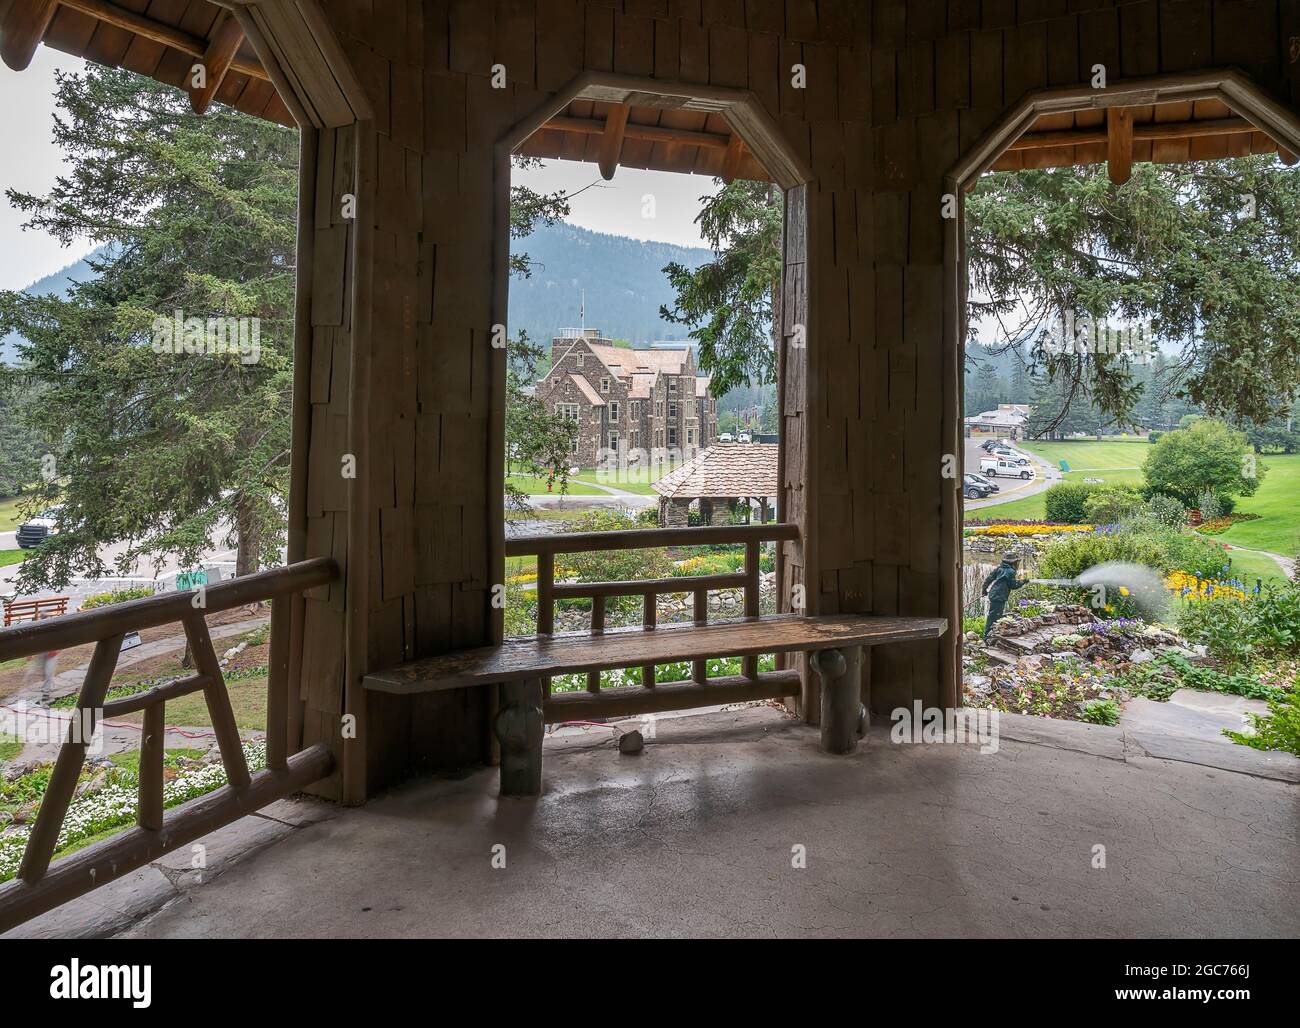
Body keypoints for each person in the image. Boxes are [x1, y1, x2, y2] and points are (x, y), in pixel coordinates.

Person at [981, 550, 1028, 642]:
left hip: (994, 594)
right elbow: (1013, 586)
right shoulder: (1011, 571)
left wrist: (984, 590)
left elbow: (988, 579)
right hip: (999, 596)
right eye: (1016, 562)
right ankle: (987, 637)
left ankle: (991, 635)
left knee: (994, 615)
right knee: (994, 617)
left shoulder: (999, 569)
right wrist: (1023, 582)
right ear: (1013, 562)